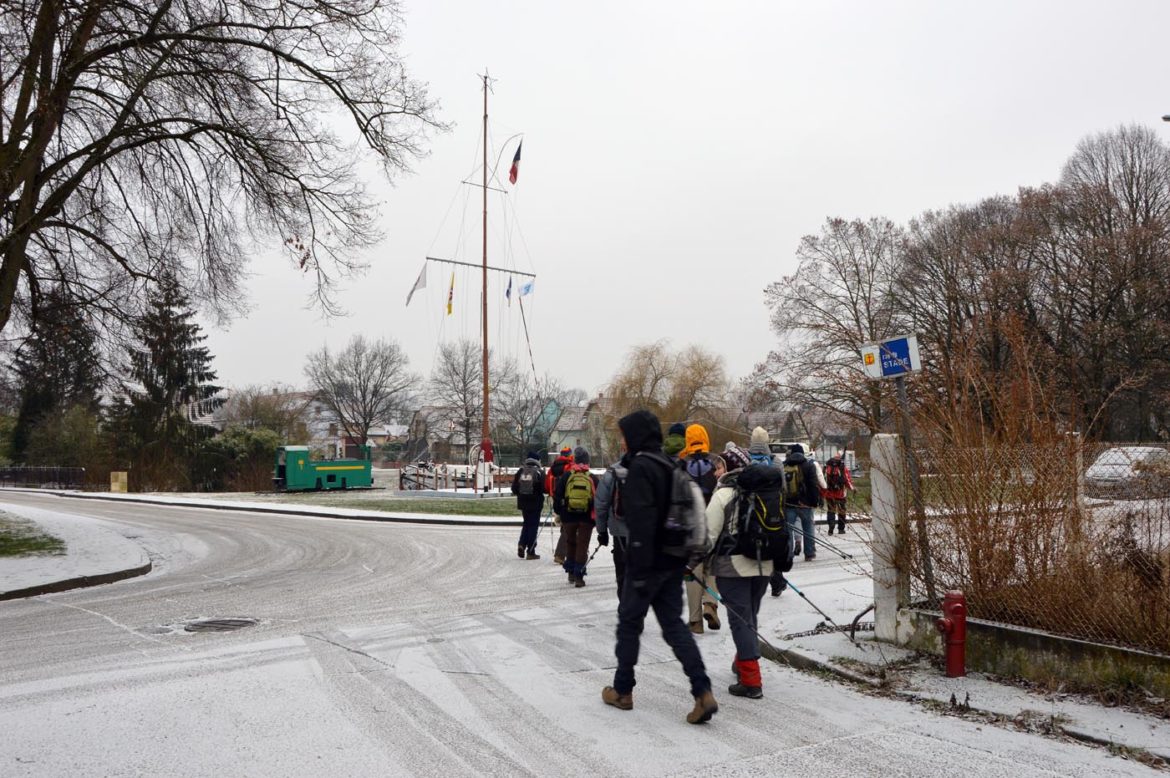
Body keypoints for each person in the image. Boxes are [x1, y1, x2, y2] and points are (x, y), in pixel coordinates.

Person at [601, 409, 718, 725]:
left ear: (636, 436)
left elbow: (641, 523)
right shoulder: (669, 464)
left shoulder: (642, 467)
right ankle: (703, 691)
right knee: (675, 627)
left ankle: (622, 691)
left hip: (647, 563)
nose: (622, 441)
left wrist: (638, 572)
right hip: (672, 560)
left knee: (629, 624)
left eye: (624, 435)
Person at [705, 444, 773, 698]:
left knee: (741, 621)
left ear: (731, 467)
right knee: (749, 617)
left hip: (732, 568)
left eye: (719, 467)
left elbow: (708, 536)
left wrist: (691, 562)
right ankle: (741, 663)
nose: (715, 472)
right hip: (764, 564)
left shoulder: (723, 495)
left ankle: (751, 680)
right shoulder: (764, 491)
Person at [682, 423, 720, 634]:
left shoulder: (680, 465)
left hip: (690, 528)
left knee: (692, 573)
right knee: (712, 568)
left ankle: (695, 620)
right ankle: (710, 604)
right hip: (713, 524)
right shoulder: (716, 462)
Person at [554, 446, 598, 587]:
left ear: (575, 460)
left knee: (571, 543)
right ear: (587, 460)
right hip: (586, 518)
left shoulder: (567, 475)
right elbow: (599, 499)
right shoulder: (592, 477)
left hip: (568, 516)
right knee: (582, 545)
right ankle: (579, 576)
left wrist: (560, 512)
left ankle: (571, 573)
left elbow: (558, 495)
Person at [594, 448, 628, 595]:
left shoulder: (612, 472)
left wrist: (602, 531)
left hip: (619, 531)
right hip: (645, 533)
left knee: (622, 572)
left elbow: (601, 504)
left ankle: (625, 602)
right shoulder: (652, 467)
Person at [784, 443, 821, 561]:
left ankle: (788, 554)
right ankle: (809, 553)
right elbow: (813, 485)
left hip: (789, 504)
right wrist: (815, 502)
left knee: (788, 530)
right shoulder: (809, 465)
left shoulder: (785, 465)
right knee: (808, 528)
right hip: (805, 504)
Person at [510, 451, 545, 559]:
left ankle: (522, 544)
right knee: (533, 526)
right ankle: (531, 551)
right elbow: (544, 488)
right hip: (536, 503)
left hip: (523, 503)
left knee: (526, 523)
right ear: (537, 460)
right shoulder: (539, 472)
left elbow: (514, 489)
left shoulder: (521, 471)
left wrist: (522, 494)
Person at [547, 447, 573, 565]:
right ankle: (561, 554)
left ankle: (563, 553)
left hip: (555, 498)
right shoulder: (570, 466)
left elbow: (547, 484)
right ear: (569, 455)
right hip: (568, 499)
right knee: (568, 526)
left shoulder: (553, 467)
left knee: (564, 524)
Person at [822, 450, 855, 535]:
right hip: (841, 494)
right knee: (841, 511)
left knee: (831, 510)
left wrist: (823, 491)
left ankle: (831, 526)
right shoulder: (842, 468)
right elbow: (847, 480)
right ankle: (841, 529)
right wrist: (852, 488)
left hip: (829, 494)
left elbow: (823, 480)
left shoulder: (827, 467)